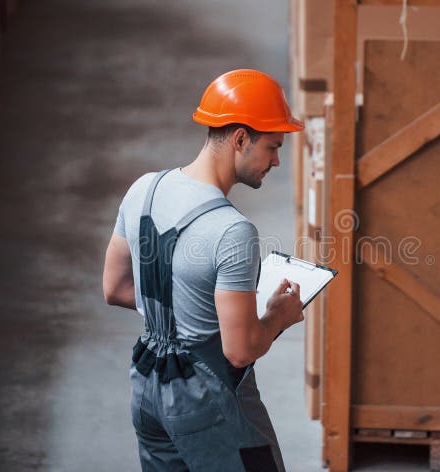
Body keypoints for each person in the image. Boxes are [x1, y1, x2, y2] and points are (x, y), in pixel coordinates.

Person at [102, 69, 305, 471]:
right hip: (203, 397)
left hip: (147, 384)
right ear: (240, 139)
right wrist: (278, 316)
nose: (277, 161)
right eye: (272, 147)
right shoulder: (233, 230)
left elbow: (115, 287)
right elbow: (240, 349)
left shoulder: (145, 187)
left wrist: (187, 307)